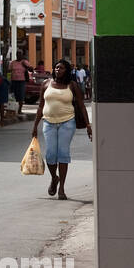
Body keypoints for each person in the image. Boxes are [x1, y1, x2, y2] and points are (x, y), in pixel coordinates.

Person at [31, 57, 92, 200]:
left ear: (67, 71)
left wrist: (88, 125)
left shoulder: (72, 85)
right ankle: (54, 178)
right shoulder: (46, 84)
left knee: (63, 153)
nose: (58, 70)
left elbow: (82, 106)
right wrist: (35, 126)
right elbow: (41, 106)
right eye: (56, 67)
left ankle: (62, 189)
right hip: (48, 123)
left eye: (61, 68)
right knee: (51, 155)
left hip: (67, 123)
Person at [10, 52, 29, 118]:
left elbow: (30, 69)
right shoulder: (13, 63)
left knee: (21, 96)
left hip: (22, 81)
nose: (19, 56)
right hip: (13, 80)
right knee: (13, 95)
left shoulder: (24, 62)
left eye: (20, 55)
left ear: (22, 55)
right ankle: (13, 110)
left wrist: (25, 65)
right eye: (17, 55)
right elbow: (9, 71)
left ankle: (19, 110)